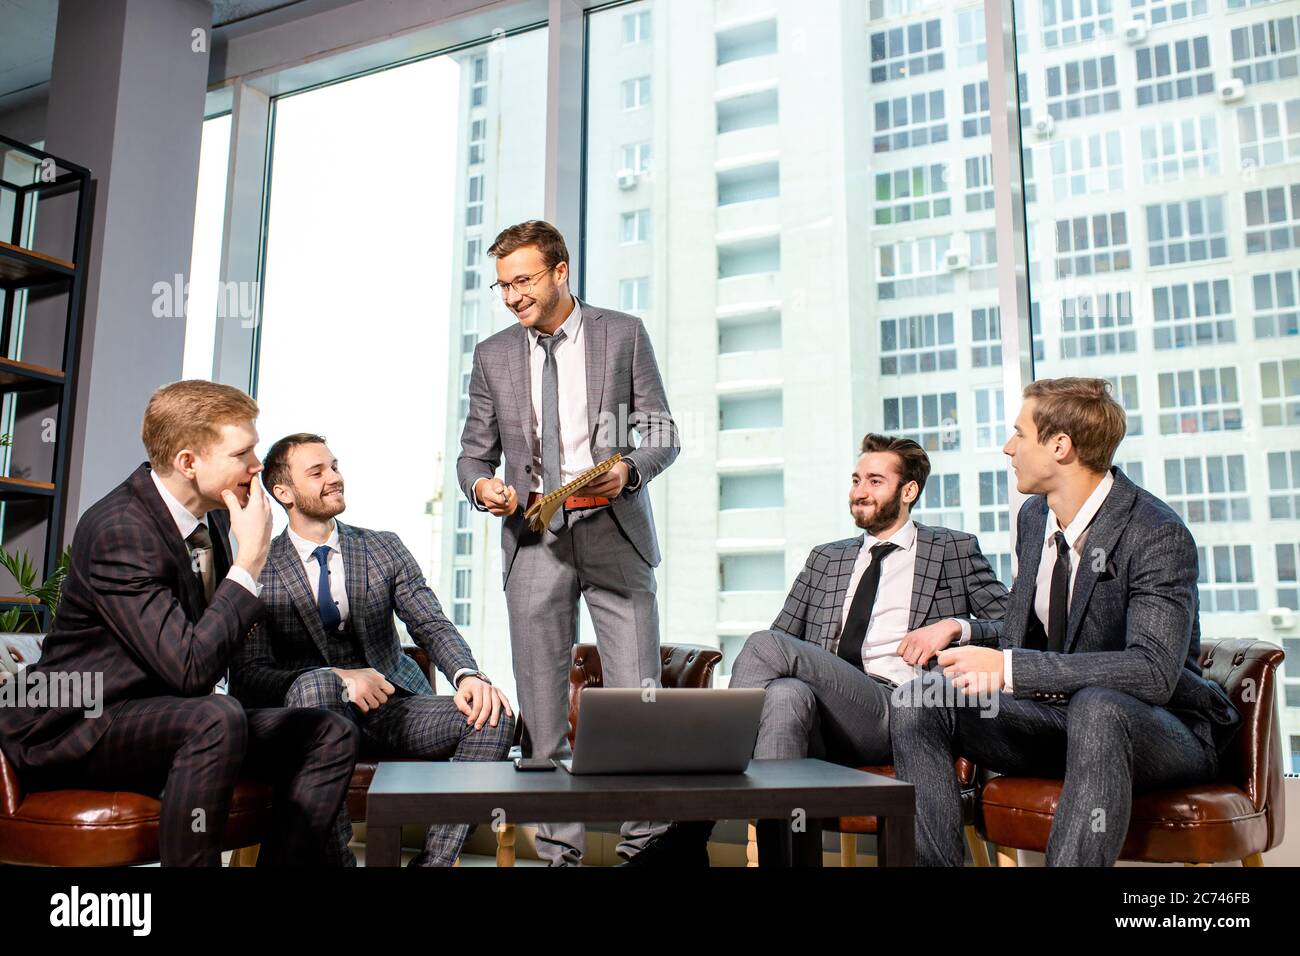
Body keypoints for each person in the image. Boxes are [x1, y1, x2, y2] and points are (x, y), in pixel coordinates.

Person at [0, 381, 358, 866]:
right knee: (215, 717)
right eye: (242, 453)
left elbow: (217, 653)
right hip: (77, 724)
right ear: (189, 463)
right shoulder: (121, 529)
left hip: (161, 719)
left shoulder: (211, 522)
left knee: (327, 731)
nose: (257, 465)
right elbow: (189, 669)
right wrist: (250, 561)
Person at [891, 377, 1240, 866]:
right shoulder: (1036, 517)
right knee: (919, 697)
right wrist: (963, 628)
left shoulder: (1156, 534)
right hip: (1058, 720)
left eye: (1019, 434)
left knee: (1097, 707)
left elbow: (1154, 672)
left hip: (1158, 731)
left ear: (1060, 446)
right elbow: (1037, 625)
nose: (1007, 447)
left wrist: (1010, 670)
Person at [631, 433, 1008, 866]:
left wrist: (954, 626)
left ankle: (692, 829)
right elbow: (779, 645)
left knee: (764, 648)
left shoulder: (952, 549)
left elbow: (1014, 626)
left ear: (909, 491)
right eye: (855, 480)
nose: (859, 492)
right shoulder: (826, 559)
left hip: (902, 712)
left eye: (874, 481)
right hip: (829, 718)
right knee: (786, 695)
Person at [456, 220, 679, 865]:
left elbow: (661, 432)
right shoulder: (492, 355)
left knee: (638, 700)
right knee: (542, 717)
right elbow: (472, 458)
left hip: (614, 531)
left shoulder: (623, 334)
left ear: (560, 272)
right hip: (532, 540)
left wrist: (629, 469)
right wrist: (483, 490)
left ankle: (645, 848)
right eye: (502, 285)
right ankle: (560, 855)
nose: (512, 295)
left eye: (523, 279)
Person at [230, 433, 514, 866]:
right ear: (283, 492)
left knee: (492, 716)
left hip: (391, 711)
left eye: (335, 467)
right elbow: (250, 674)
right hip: (310, 722)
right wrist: (335, 677)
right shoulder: (258, 566)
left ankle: (433, 865)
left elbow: (430, 623)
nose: (335, 478)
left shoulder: (383, 547)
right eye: (317, 472)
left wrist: (468, 675)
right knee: (317, 690)